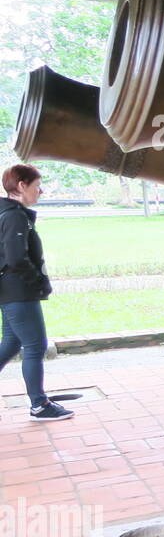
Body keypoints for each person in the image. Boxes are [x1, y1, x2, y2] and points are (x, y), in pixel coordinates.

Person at [0, 163, 72, 421]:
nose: (40, 192)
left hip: (11, 291)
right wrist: (38, 282)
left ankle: (39, 403)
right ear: (21, 186)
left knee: (11, 343)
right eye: (37, 186)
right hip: (18, 292)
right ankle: (39, 405)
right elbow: (17, 258)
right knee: (35, 345)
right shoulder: (14, 216)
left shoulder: (9, 213)